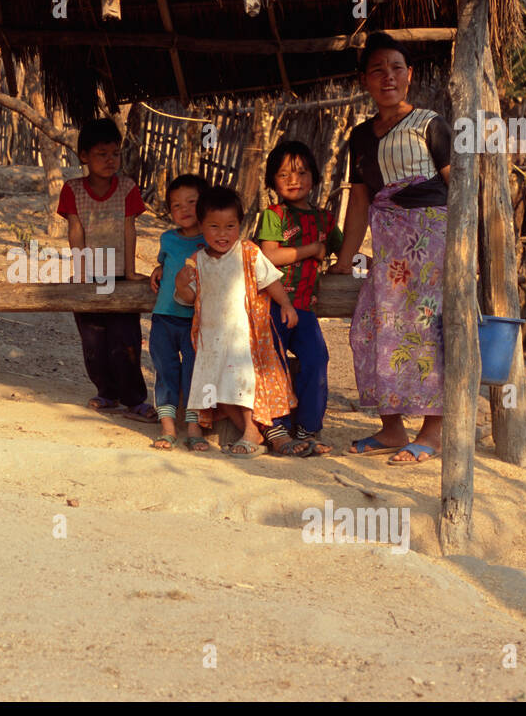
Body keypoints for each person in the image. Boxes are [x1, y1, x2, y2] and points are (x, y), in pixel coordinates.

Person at [329, 32, 452, 464]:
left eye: (396, 68)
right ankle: (392, 428)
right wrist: (344, 260)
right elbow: (360, 199)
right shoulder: (360, 136)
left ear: (410, 75)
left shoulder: (429, 124)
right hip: (390, 251)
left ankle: (433, 431)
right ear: (365, 80)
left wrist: (463, 253)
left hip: (432, 244)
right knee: (368, 328)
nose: (388, 77)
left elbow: (458, 187)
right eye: (378, 70)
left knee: (426, 332)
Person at [174, 185, 300, 459]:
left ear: (240, 225)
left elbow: (271, 281)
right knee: (217, 389)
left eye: (230, 226)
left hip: (243, 338)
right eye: (214, 226)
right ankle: (249, 431)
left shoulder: (248, 252)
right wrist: (181, 284)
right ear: (201, 225)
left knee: (242, 384)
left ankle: (252, 434)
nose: (223, 234)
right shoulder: (197, 261)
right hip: (210, 342)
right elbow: (189, 298)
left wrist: (286, 305)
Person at [57, 117, 156, 422]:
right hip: (89, 275)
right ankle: (107, 393)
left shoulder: (127, 187)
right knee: (93, 342)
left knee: (125, 340)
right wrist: (82, 273)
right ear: (83, 156)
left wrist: (129, 273)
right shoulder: (72, 189)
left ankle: (135, 400)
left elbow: (129, 230)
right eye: (102, 154)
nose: (110, 160)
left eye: (115, 153)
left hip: (119, 276)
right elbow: (76, 230)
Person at [256, 139, 343, 456]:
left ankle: (307, 428)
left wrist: (369, 263)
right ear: (272, 181)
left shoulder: (326, 220)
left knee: (317, 360)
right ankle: (276, 427)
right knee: (272, 363)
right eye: (284, 175)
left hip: (305, 310)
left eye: (302, 172)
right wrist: (312, 250)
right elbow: (269, 257)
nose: (294, 180)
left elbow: (343, 252)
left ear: (315, 177)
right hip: (272, 305)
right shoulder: (273, 215)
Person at [148, 173, 210, 450]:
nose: (184, 210)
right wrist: (158, 270)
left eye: (192, 202)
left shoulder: (211, 241)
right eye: (176, 205)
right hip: (163, 318)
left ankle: (195, 426)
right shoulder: (167, 239)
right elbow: (166, 265)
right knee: (165, 370)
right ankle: (168, 427)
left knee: (195, 373)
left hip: (196, 322)